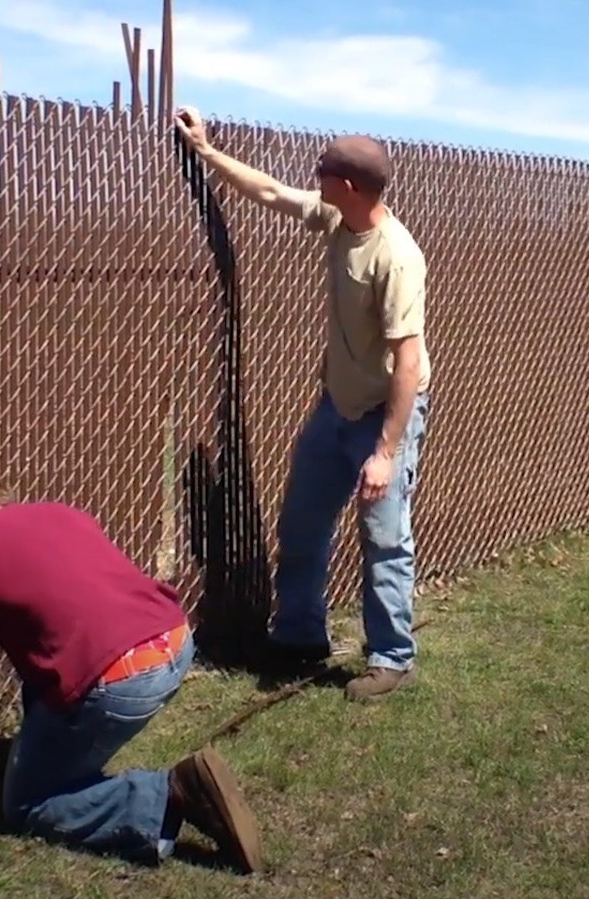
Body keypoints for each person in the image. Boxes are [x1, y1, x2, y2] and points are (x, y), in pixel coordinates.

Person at [173, 106, 432, 702]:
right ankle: (299, 636)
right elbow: (269, 191)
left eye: (322, 173)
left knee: (384, 536)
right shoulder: (338, 219)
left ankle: (392, 657)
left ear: (348, 185)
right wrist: (207, 153)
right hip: (335, 408)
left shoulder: (395, 256)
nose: (314, 180)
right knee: (303, 524)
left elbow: (409, 364)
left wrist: (386, 452)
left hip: (383, 416)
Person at [0, 477, 265, 873]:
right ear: (8, 505)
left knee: (28, 804)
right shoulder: (61, 513)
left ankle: (169, 794)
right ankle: (69, 762)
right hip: (174, 639)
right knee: (47, 666)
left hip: (117, 682)